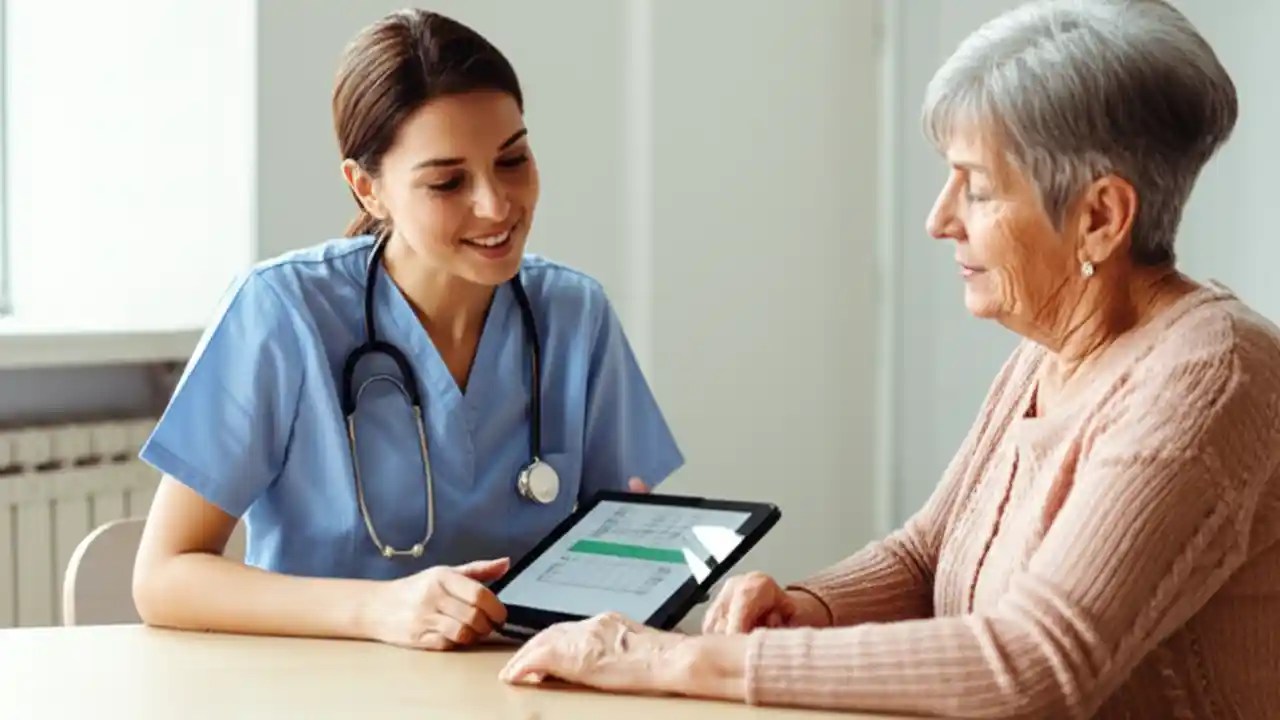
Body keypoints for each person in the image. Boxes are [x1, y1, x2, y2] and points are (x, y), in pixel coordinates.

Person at [497, 0, 1280, 716]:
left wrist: (672, 657)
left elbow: (1039, 660)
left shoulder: (1211, 374)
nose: (940, 219)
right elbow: (926, 554)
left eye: (974, 188)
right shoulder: (1056, 351)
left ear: (1101, 216)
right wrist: (812, 605)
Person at [131, 9, 683, 652]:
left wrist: (650, 558)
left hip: (525, 687)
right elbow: (163, 578)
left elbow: (620, 546)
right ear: (367, 189)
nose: (497, 205)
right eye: (448, 181)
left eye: (513, 160)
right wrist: (379, 610)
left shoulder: (573, 313)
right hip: (321, 690)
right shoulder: (281, 312)